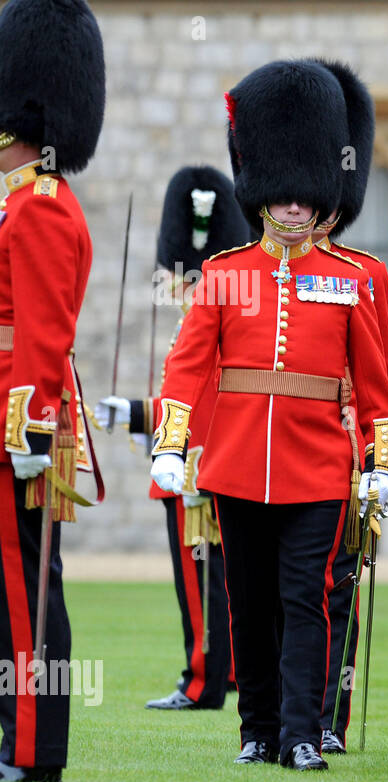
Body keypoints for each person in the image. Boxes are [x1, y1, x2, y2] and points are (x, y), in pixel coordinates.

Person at [149, 59, 388, 771]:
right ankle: (256, 730)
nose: (293, 206)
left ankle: (300, 734)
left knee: (307, 601)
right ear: (260, 189)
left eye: (304, 194)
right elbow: (189, 366)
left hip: (319, 468)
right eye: (281, 193)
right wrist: (172, 443)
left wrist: (382, 463)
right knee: (249, 601)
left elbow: (379, 382)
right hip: (234, 463)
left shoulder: (351, 280)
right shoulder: (227, 273)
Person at [96, 165, 253, 712]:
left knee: (202, 584)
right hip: (192, 460)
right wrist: (139, 416)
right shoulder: (197, 320)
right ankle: (225, 673)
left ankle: (203, 681)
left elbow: (208, 401)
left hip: (196, 468)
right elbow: (179, 398)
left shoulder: (212, 323)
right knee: (219, 581)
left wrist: (175, 445)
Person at [0, 0, 105, 782]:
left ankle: (35, 749)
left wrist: (29, 432)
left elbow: (40, 336)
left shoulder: (37, 208)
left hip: (19, 430)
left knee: (23, 596)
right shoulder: (25, 201)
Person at [306, 59, 388, 755]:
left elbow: (383, 379)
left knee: (338, 590)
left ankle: (326, 718)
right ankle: (284, 714)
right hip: (285, 447)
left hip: (341, 449)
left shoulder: (365, 275)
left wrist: (382, 462)